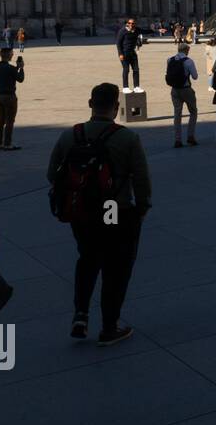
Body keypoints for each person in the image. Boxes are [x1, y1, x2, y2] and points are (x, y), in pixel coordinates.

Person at [46, 84, 150, 346]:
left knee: (88, 258)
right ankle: (109, 325)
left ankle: (80, 314)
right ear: (117, 107)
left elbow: (51, 174)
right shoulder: (127, 138)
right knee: (116, 266)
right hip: (114, 209)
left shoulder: (70, 135)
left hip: (80, 211)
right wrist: (142, 208)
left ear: (90, 103)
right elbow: (141, 179)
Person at [165, 43, 199, 148]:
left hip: (174, 90)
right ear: (186, 50)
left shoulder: (170, 59)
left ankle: (177, 140)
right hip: (186, 89)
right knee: (193, 112)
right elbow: (195, 77)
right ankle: (190, 136)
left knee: (177, 114)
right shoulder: (188, 61)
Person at [0, 47, 25, 151]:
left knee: (1, 120)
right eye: (11, 54)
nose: (12, 55)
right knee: (10, 120)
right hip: (10, 97)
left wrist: (16, 68)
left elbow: (7, 74)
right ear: (8, 55)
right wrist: (21, 68)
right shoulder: (11, 68)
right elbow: (20, 79)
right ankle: (8, 144)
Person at [116, 17, 142, 92]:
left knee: (136, 69)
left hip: (132, 53)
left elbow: (145, 31)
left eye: (133, 23)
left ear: (135, 24)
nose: (131, 24)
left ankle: (136, 86)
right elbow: (118, 43)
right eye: (129, 23)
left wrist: (157, 30)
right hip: (124, 53)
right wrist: (120, 54)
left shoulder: (136, 30)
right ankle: (125, 87)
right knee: (126, 70)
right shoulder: (122, 31)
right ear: (127, 23)